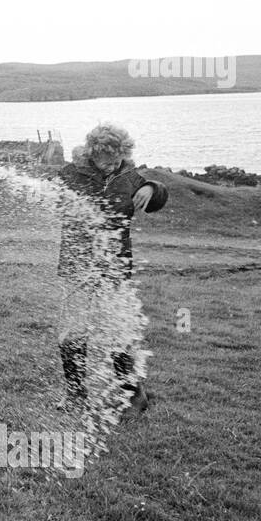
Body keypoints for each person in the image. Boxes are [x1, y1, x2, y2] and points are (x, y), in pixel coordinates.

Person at [56, 122, 168, 414]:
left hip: (114, 265)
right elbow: (53, 202)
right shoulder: (70, 175)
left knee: (117, 329)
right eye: (107, 158)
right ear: (93, 152)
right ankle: (75, 395)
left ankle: (133, 396)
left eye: (118, 158)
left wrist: (151, 187)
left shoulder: (129, 176)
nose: (113, 164)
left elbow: (158, 200)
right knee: (73, 330)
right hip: (77, 262)